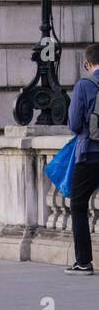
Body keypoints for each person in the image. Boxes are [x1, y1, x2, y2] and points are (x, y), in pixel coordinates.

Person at [66, 43, 99, 275]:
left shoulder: (84, 85)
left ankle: (84, 262)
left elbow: (75, 124)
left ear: (87, 64)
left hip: (89, 155)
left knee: (78, 206)